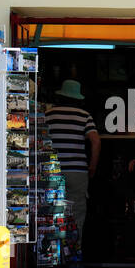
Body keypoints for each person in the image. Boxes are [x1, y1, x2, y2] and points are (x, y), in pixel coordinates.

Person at [45, 79, 99, 244]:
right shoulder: (84, 116)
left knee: (53, 212)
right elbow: (96, 141)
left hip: (53, 170)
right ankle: (74, 254)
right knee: (77, 213)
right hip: (78, 171)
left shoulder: (48, 115)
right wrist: (92, 166)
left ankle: (55, 254)